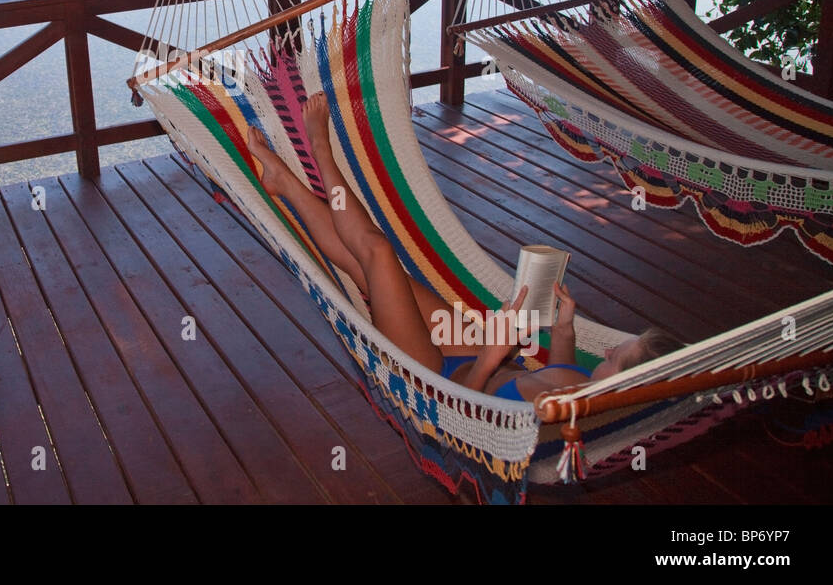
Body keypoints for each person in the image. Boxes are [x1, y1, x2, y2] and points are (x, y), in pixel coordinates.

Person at [245, 92, 682, 402]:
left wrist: (492, 358)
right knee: (375, 272)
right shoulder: (591, 393)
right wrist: (564, 330)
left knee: (377, 253)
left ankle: (321, 150)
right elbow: (558, 373)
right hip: (470, 354)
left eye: (615, 357)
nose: (605, 352)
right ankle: (283, 181)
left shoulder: (561, 417)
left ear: (627, 382)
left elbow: (471, 418)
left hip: (442, 384)